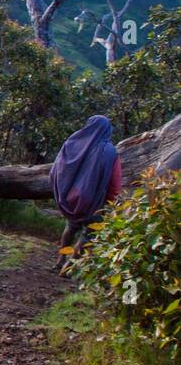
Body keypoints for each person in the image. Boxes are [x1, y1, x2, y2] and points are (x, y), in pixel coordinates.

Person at [51, 115, 122, 271]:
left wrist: (63, 190)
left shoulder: (73, 143)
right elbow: (115, 182)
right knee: (88, 235)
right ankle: (69, 267)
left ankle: (60, 260)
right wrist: (112, 201)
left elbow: (58, 168)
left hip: (73, 198)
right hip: (96, 202)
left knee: (70, 227)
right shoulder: (109, 151)